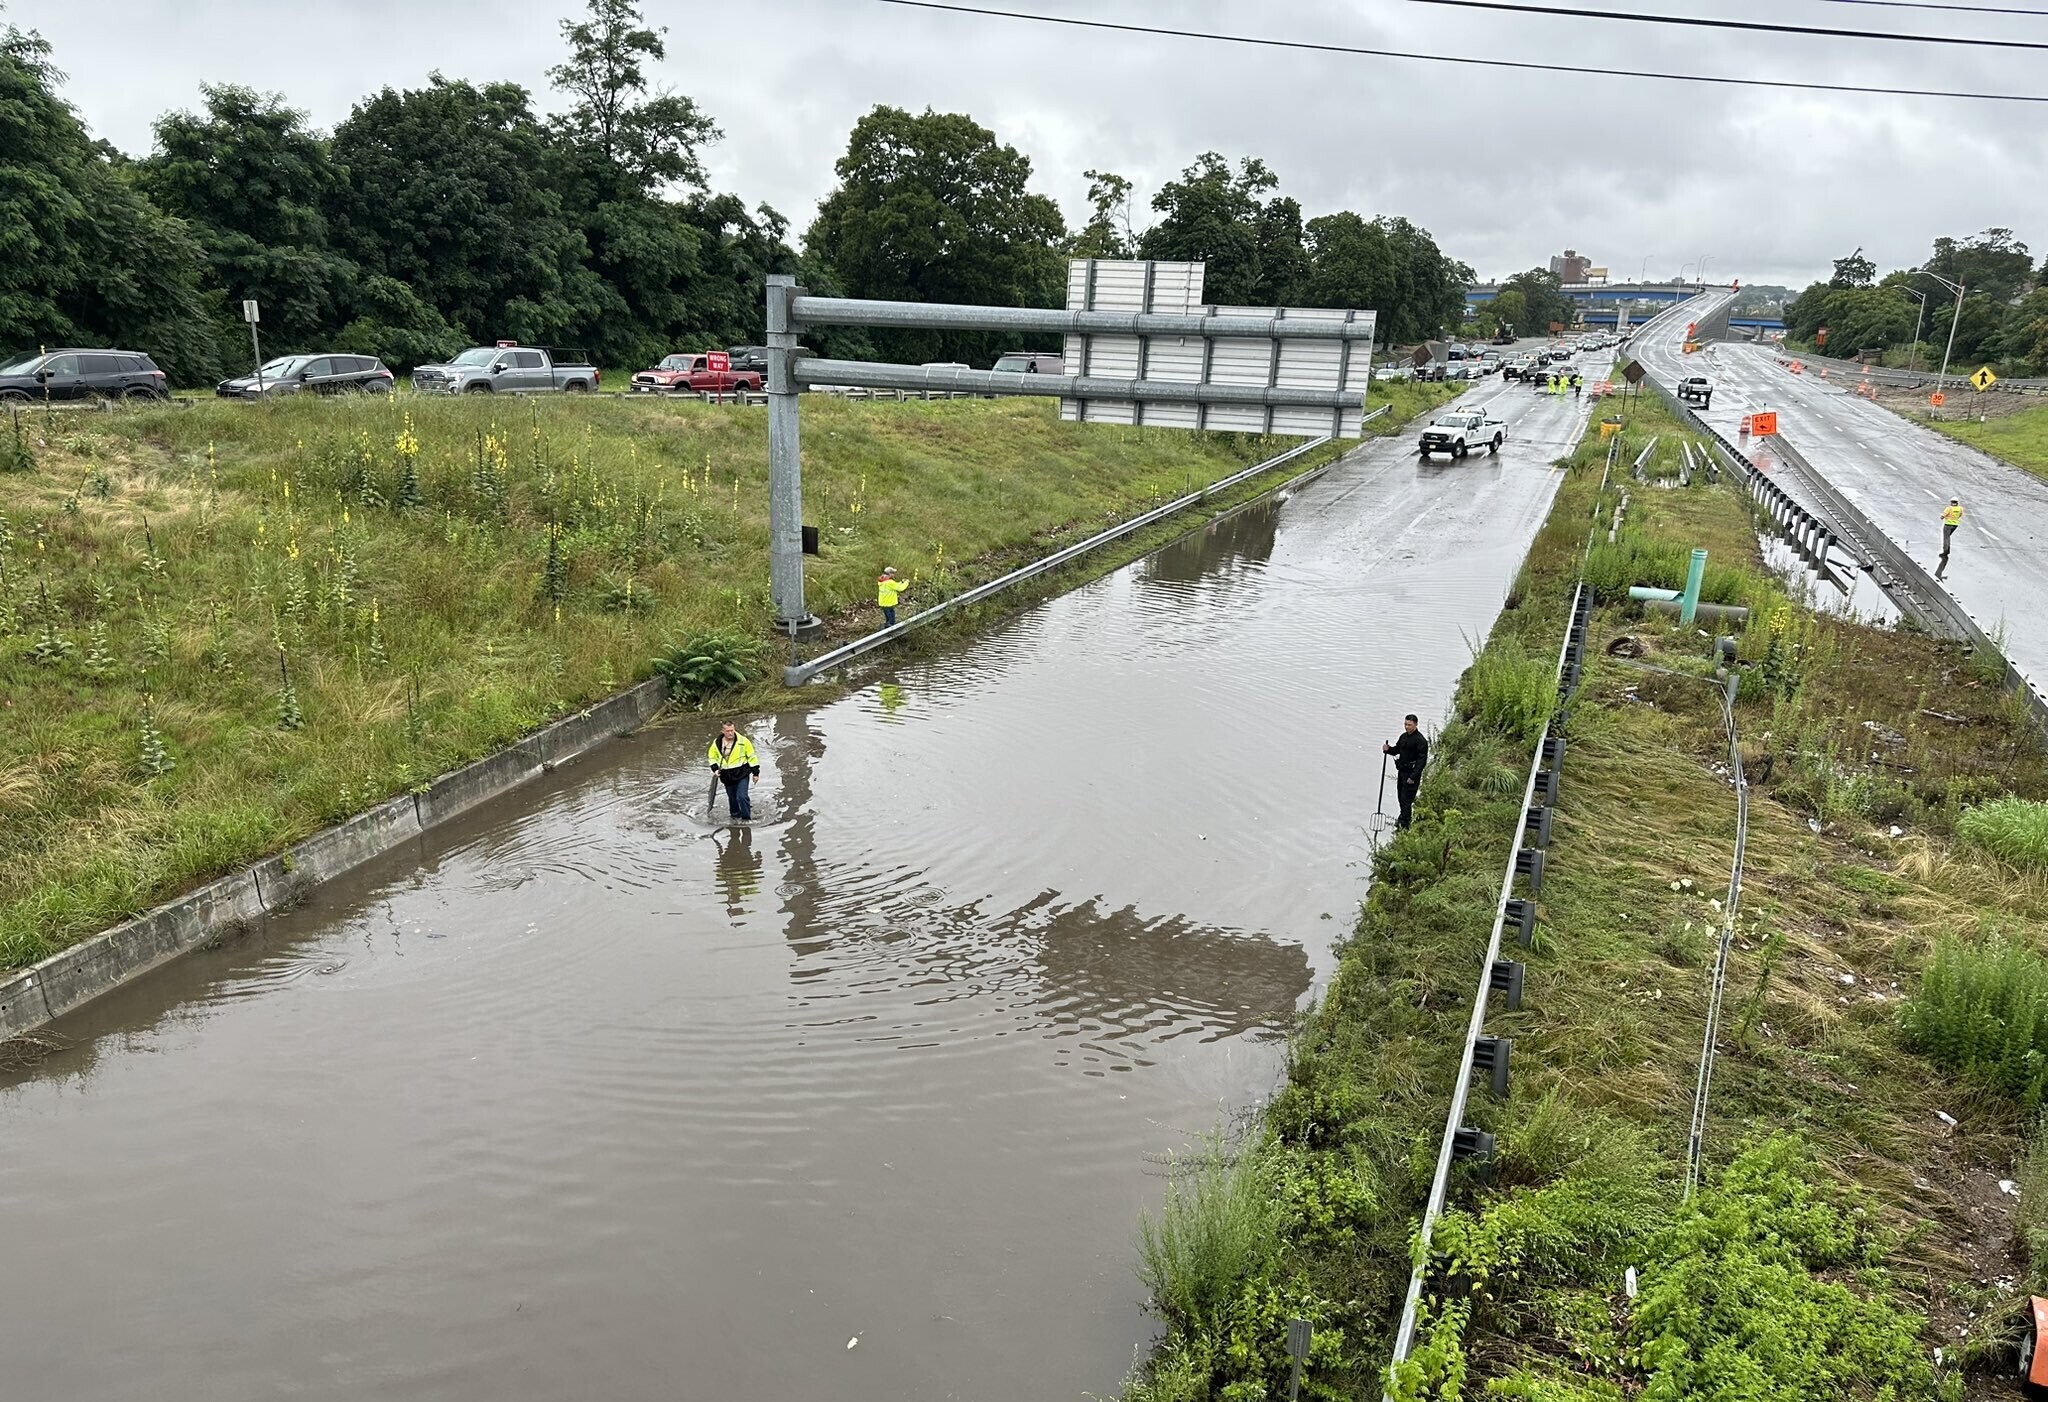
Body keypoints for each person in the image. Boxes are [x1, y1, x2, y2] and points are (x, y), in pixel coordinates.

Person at [1382, 715, 1429, 830]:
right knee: (1400, 797)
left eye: (1409, 725)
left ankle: (1405, 824)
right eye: (1405, 724)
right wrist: (1388, 749)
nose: (1407, 727)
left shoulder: (1421, 741)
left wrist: (1413, 777)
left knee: (1406, 799)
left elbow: (1421, 762)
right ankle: (1403, 819)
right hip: (1402, 772)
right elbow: (1397, 750)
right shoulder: (1403, 737)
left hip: (1411, 775)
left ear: (1416, 724)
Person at [708, 721, 760, 822]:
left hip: (742, 773)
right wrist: (714, 769)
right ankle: (735, 818)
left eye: (732, 730)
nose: (730, 733)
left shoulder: (743, 741)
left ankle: (746, 819)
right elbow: (712, 756)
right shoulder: (716, 743)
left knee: (742, 796)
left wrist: (755, 773)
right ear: (723, 731)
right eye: (727, 731)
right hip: (726, 775)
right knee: (732, 799)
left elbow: (752, 757)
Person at [1937, 497, 1963, 578]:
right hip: (1955, 525)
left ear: (1951, 502)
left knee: (1946, 538)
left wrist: (1941, 516)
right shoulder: (1960, 508)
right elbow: (1960, 515)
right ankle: (1947, 549)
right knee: (1948, 537)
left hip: (1948, 524)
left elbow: (1943, 516)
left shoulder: (1949, 508)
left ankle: (1946, 551)